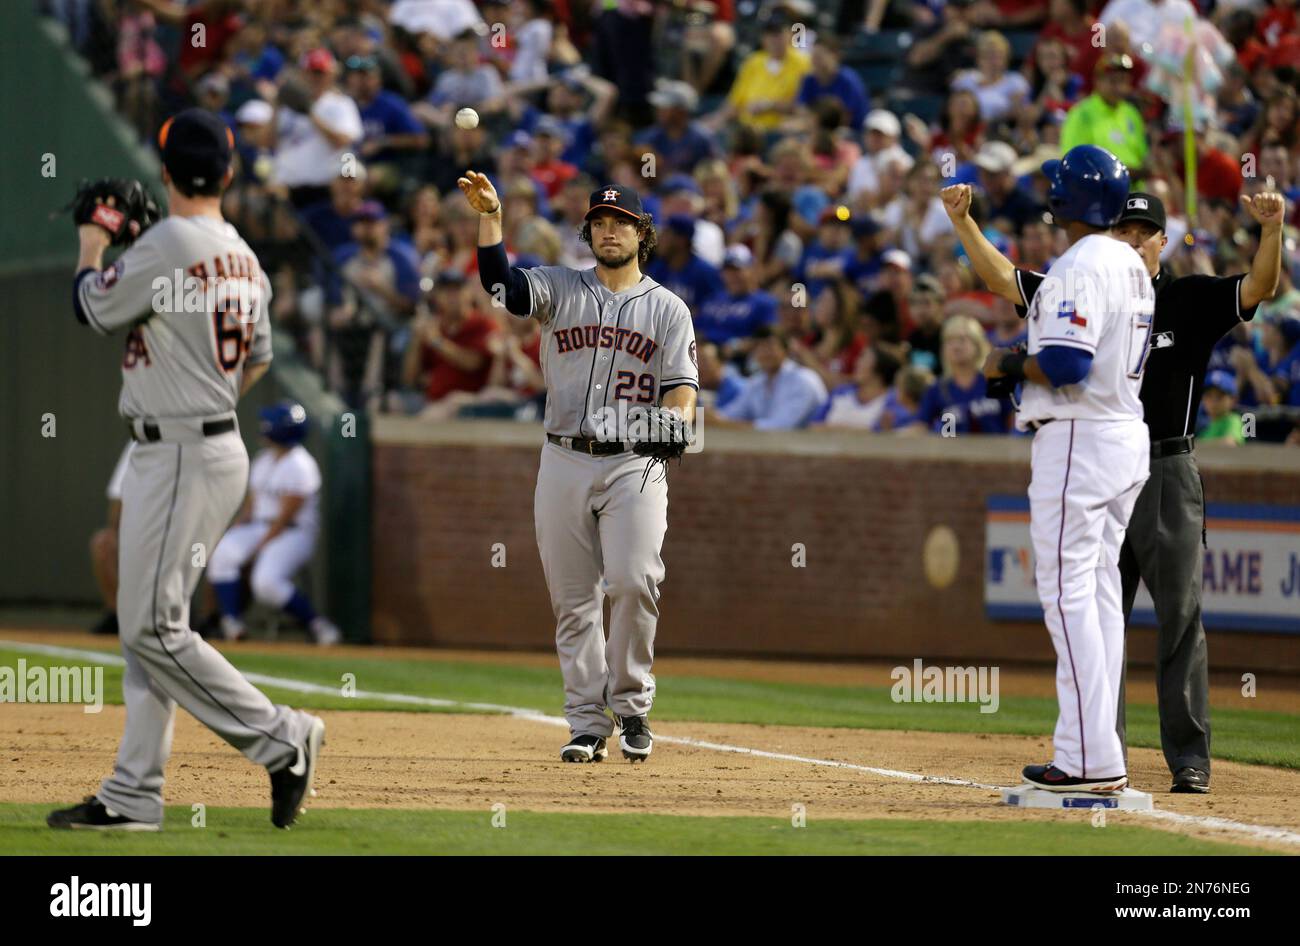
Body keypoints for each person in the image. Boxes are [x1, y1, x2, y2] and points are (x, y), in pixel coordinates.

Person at [945, 182, 1285, 792]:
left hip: (1165, 465)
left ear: (1162, 241)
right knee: (1107, 609)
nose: (1130, 240)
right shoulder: (1095, 285)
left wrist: (1271, 230)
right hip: (1114, 456)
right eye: (1122, 229)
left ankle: (1187, 759)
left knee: (1176, 614)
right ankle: (1105, 750)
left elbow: (1258, 288)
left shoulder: (1181, 298)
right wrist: (964, 223)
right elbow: (1007, 279)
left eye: (1142, 232)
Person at [55, 109, 324, 831]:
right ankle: (133, 793)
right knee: (150, 627)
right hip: (200, 443)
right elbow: (261, 355)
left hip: (179, 451)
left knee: (151, 630)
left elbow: (91, 306)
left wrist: (93, 239)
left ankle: (281, 738)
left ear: (164, 170)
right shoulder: (241, 252)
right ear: (231, 174)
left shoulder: (170, 240)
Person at [461, 172, 698, 763]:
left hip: (633, 463)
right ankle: (587, 723)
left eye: (620, 222)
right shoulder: (560, 287)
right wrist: (491, 217)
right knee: (573, 600)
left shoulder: (668, 309)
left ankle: (633, 706)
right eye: (599, 221)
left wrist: (672, 422)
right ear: (587, 231)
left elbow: (682, 390)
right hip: (563, 455)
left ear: (642, 234)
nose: (608, 230)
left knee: (633, 580)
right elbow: (501, 287)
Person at [981, 144, 1153, 793]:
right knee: (1101, 594)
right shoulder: (1130, 263)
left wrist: (1008, 363)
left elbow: (1065, 365)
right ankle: (1097, 749)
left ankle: (1084, 756)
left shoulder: (1081, 263)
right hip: (1120, 432)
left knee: (1068, 591)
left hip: (1080, 435)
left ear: (1069, 199)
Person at [207, 402, 341, 645]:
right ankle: (231, 623)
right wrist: (237, 528)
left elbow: (285, 517)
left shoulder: (301, 466)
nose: (264, 427)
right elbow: (252, 504)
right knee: (221, 554)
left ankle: (318, 625)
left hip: (294, 533)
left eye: (270, 423)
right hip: (260, 526)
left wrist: (258, 548)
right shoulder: (264, 460)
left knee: (265, 582)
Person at [708, 326, 829, 430]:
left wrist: (724, 424)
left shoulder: (803, 380)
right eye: (759, 348)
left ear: (785, 350)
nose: (764, 352)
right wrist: (704, 417)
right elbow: (729, 415)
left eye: (770, 347)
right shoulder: (757, 382)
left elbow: (782, 427)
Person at [911, 315, 1015, 434]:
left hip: (996, 450)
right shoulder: (936, 389)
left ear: (977, 345)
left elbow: (1013, 422)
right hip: (950, 451)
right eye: (950, 340)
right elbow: (920, 427)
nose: (956, 346)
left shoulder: (996, 381)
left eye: (962, 339)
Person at [1060, 54, 1148, 177]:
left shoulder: (1131, 113)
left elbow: (1143, 157)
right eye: (1113, 81)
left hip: (1136, 186)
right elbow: (1073, 160)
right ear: (1098, 81)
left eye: (1123, 81)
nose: (1119, 87)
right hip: (1100, 189)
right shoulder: (1081, 113)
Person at [88, 442, 136, 636]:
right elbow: (118, 496)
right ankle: (118, 615)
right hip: (138, 530)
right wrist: (117, 532)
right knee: (103, 543)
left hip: (173, 532)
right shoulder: (139, 441)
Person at [1197, 371, 1247, 445]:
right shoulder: (1204, 427)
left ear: (1233, 400)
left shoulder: (1233, 420)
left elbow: (1230, 443)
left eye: (1220, 396)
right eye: (1208, 395)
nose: (1214, 401)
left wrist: (1195, 445)